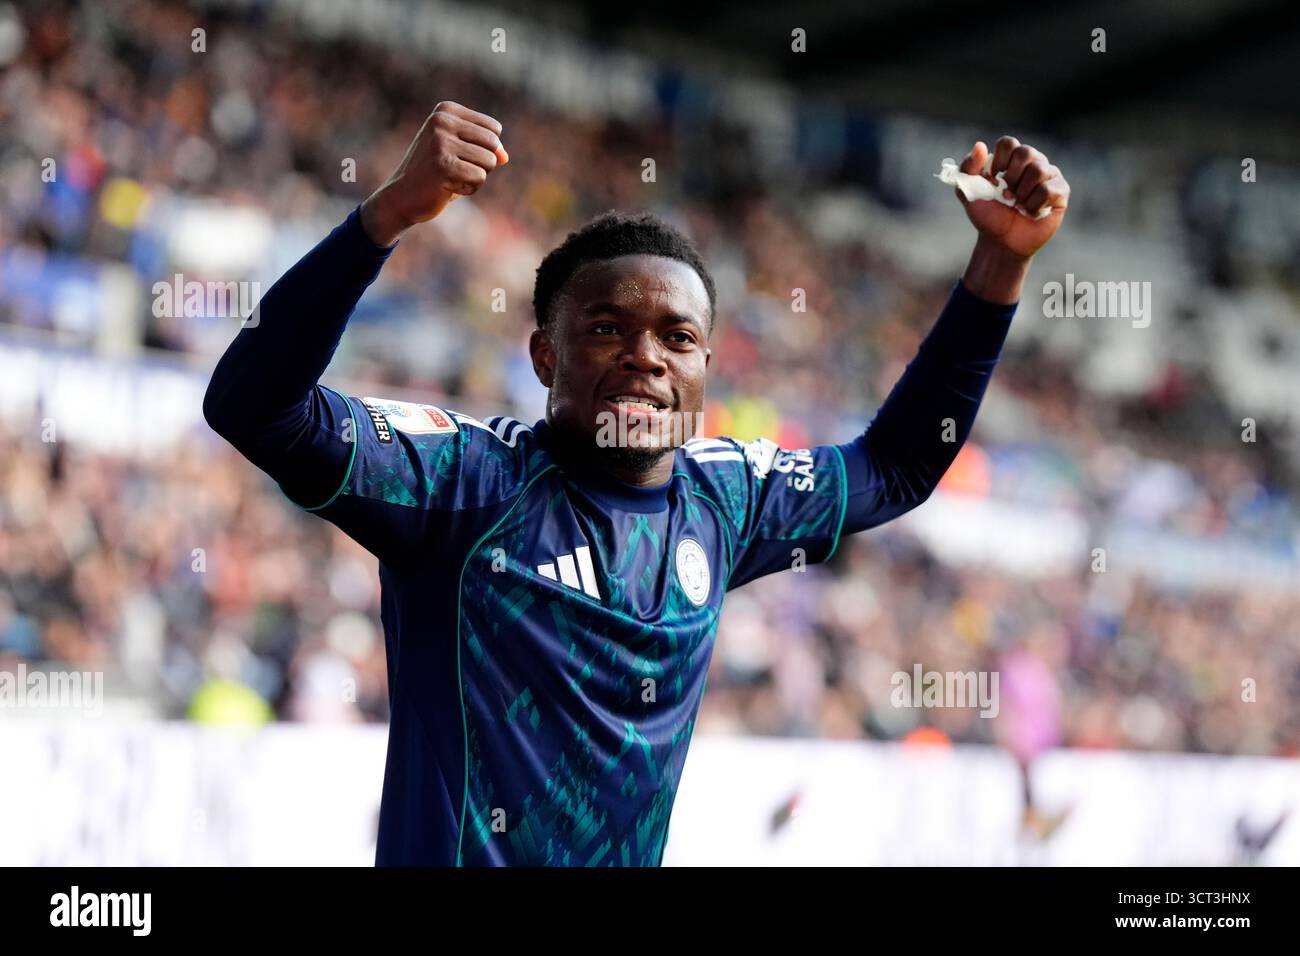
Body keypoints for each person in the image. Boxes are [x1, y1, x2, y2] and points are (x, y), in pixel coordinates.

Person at [203, 100, 1070, 865]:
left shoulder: (727, 500)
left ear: (704, 367)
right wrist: (383, 218)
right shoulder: (467, 484)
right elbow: (253, 405)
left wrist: (998, 267)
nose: (646, 356)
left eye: (678, 337)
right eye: (608, 328)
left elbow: (896, 466)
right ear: (545, 355)